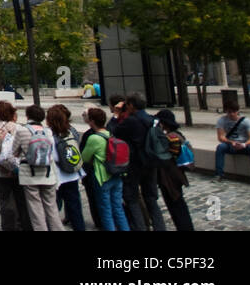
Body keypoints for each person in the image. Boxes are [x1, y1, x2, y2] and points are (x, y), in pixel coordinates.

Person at [112, 93, 167, 230]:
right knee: (151, 199)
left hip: (135, 164)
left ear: (131, 105)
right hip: (151, 162)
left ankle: (141, 227)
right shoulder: (153, 120)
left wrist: (117, 114)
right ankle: (160, 227)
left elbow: (113, 131)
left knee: (132, 199)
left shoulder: (131, 121)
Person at [11, 104, 62, 230]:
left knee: (36, 209)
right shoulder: (48, 131)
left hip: (30, 174)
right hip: (47, 172)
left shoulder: (22, 131)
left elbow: (15, 152)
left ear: (28, 116)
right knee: (52, 207)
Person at [0, 101, 29, 231]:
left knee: (5, 201)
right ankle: (22, 225)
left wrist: (0, 160)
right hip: (17, 169)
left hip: (0, 170)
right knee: (21, 199)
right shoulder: (19, 128)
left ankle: (8, 227)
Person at [81, 105, 128, 230]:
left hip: (102, 176)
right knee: (118, 208)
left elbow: (84, 158)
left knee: (106, 211)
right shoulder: (110, 134)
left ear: (92, 121)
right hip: (116, 175)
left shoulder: (93, 138)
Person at [46, 104, 86, 231]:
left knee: (53, 208)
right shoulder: (71, 131)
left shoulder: (50, 135)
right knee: (75, 207)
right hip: (73, 173)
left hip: (58, 176)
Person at [154, 108, 195, 231]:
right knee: (178, 203)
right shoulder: (178, 135)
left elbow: (165, 156)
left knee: (176, 204)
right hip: (177, 174)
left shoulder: (170, 138)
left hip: (170, 176)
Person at [215, 95, 250, 186]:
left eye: (234, 112)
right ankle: (219, 174)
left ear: (237, 111)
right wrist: (231, 142)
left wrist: (244, 144)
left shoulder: (246, 121)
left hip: (244, 144)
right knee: (220, 147)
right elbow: (220, 137)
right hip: (230, 144)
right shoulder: (222, 120)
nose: (232, 114)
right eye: (229, 112)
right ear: (226, 112)